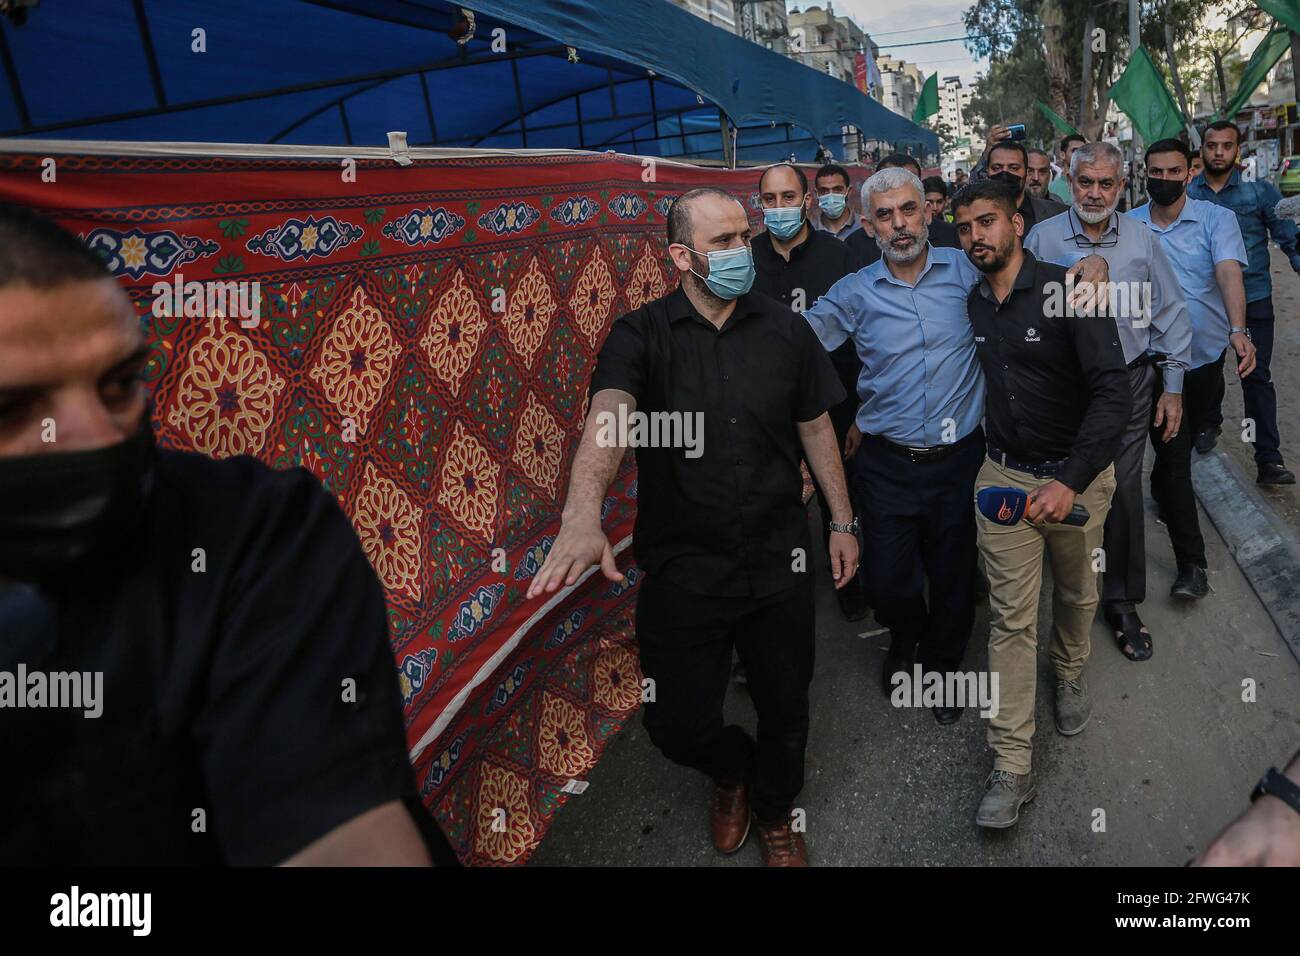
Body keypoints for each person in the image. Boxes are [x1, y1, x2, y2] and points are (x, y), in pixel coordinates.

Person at [0, 204, 443, 866]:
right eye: (12, 409)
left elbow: (335, 826)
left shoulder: (249, 530)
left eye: (119, 385)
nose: (96, 437)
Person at [528, 187, 857, 867]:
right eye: (725, 242)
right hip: (684, 568)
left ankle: (773, 810)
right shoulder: (641, 334)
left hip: (778, 562)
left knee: (787, 709)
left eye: (746, 235)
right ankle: (730, 768)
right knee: (675, 723)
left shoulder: (784, 329)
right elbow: (611, 416)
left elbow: (816, 425)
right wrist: (581, 514)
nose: (745, 251)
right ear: (681, 255)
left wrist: (842, 522)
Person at [806, 169, 1110, 723]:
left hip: (962, 463)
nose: (898, 225)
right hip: (886, 463)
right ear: (869, 224)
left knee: (952, 578)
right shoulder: (853, 292)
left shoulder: (965, 270)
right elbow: (801, 340)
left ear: (927, 214)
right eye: (883, 214)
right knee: (888, 582)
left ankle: (943, 668)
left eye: (907, 210)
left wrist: (1093, 263)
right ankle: (905, 635)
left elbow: (1025, 262)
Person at [952, 180, 1130, 828]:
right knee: (1010, 620)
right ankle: (1012, 765)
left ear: (1019, 224)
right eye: (965, 225)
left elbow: (1115, 395)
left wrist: (1071, 481)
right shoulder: (969, 299)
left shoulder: (1071, 289)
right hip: (1003, 480)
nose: (977, 235)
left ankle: (1072, 670)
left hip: (1077, 483)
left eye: (988, 221)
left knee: (1079, 593)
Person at [1025, 140, 1192, 662]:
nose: (1094, 193)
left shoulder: (1142, 240)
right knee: (1063, 484)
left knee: (1121, 491)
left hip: (1130, 383)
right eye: (1084, 182)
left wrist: (1173, 387)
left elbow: (1171, 314)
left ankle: (1119, 600)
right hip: (1063, 388)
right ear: (1068, 182)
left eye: (1106, 183)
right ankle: (1068, 594)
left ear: (1122, 187)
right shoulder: (1042, 239)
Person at [1130, 138, 1256, 599]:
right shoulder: (1128, 227)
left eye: (1173, 171)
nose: (1163, 180)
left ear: (1191, 172)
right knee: (1173, 455)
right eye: (1155, 172)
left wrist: (1238, 329)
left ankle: (1163, 492)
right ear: (1145, 174)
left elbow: (1228, 272)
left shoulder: (1216, 219)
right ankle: (1192, 567)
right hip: (1154, 365)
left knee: (1172, 460)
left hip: (1203, 358)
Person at [753, 163, 870, 621]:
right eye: (769, 199)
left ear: (806, 202)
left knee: (838, 494)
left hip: (833, 400)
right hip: (769, 406)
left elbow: (864, 338)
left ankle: (850, 581)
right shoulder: (746, 258)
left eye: (788, 197)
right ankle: (778, 602)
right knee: (774, 504)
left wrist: (861, 412)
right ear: (760, 204)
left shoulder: (838, 257)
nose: (779, 207)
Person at [1187, 119, 1300, 485]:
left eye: (1226, 146)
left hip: (1254, 300)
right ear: (1202, 150)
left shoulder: (1260, 194)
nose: (1218, 152)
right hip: (1205, 304)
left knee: (1257, 377)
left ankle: (1268, 460)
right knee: (1205, 371)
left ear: (1238, 151)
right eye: (1212, 145)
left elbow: (1289, 239)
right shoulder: (1189, 195)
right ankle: (1209, 424)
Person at [984, 139, 1068, 233]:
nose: (1005, 174)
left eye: (1014, 168)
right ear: (987, 172)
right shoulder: (974, 216)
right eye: (997, 168)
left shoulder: (1059, 214)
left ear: (1025, 172)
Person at [812, 162, 863, 241]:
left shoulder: (864, 227)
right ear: (817, 194)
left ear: (848, 192)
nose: (831, 196)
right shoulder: (809, 232)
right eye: (824, 191)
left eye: (837, 190)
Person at [922, 175, 961, 248]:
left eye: (939, 202)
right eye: (930, 202)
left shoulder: (954, 224)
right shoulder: (917, 230)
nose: (935, 207)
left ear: (946, 200)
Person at [1050, 133, 1086, 203]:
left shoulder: (1092, 188)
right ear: (1062, 155)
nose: (1079, 155)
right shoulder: (1052, 189)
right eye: (1075, 151)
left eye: (1083, 151)